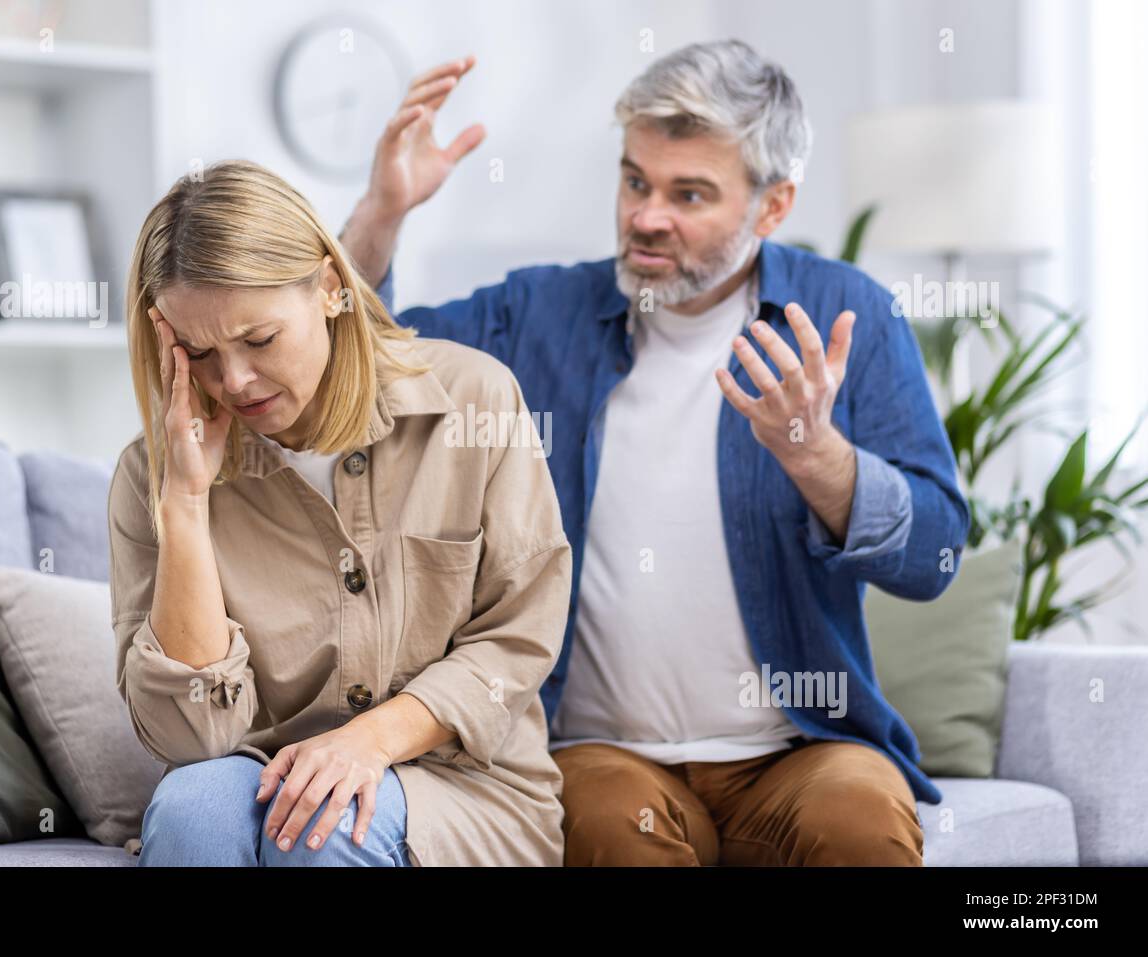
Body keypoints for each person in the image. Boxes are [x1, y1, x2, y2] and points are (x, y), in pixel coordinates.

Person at [339, 41, 970, 866]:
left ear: (772, 206)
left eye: (689, 193)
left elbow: (935, 555)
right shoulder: (538, 312)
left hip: (799, 749)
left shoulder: (847, 313)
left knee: (860, 822)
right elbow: (365, 371)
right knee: (607, 830)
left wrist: (818, 457)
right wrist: (382, 214)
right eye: (636, 180)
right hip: (601, 750)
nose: (645, 216)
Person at [108, 159, 572, 866]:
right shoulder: (156, 474)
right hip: (263, 775)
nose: (233, 381)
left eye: (259, 340)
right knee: (191, 812)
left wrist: (373, 740)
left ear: (329, 287)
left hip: (467, 783)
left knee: (324, 833)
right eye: (199, 353)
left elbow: (519, 637)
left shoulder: (475, 400)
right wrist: (187, 504)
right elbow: (192, 740)